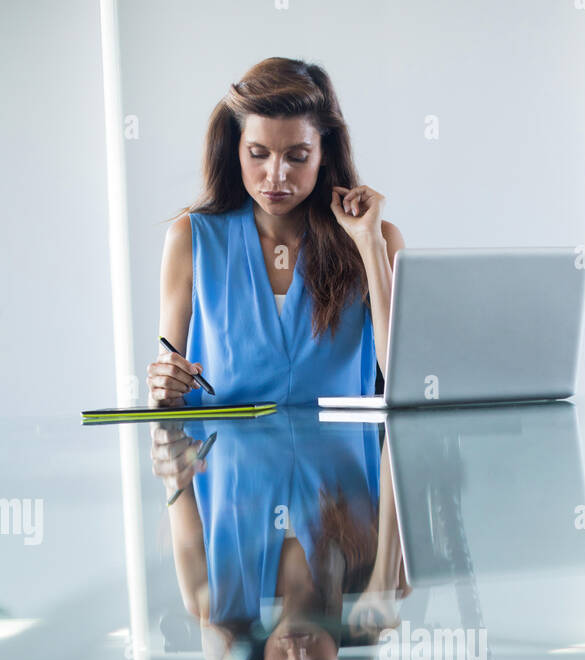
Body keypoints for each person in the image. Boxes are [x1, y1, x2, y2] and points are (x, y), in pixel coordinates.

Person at [146, 56, 404, 407]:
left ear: (324, 153)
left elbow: (402, 380)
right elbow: (169, 394)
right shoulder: (191, 238)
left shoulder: (377, 238)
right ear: (235, 148)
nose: (276, 175)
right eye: (258, 153)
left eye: (297, 156)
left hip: (343, 459)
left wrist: (369, 244)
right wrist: (164, 385)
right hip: (224, 457)